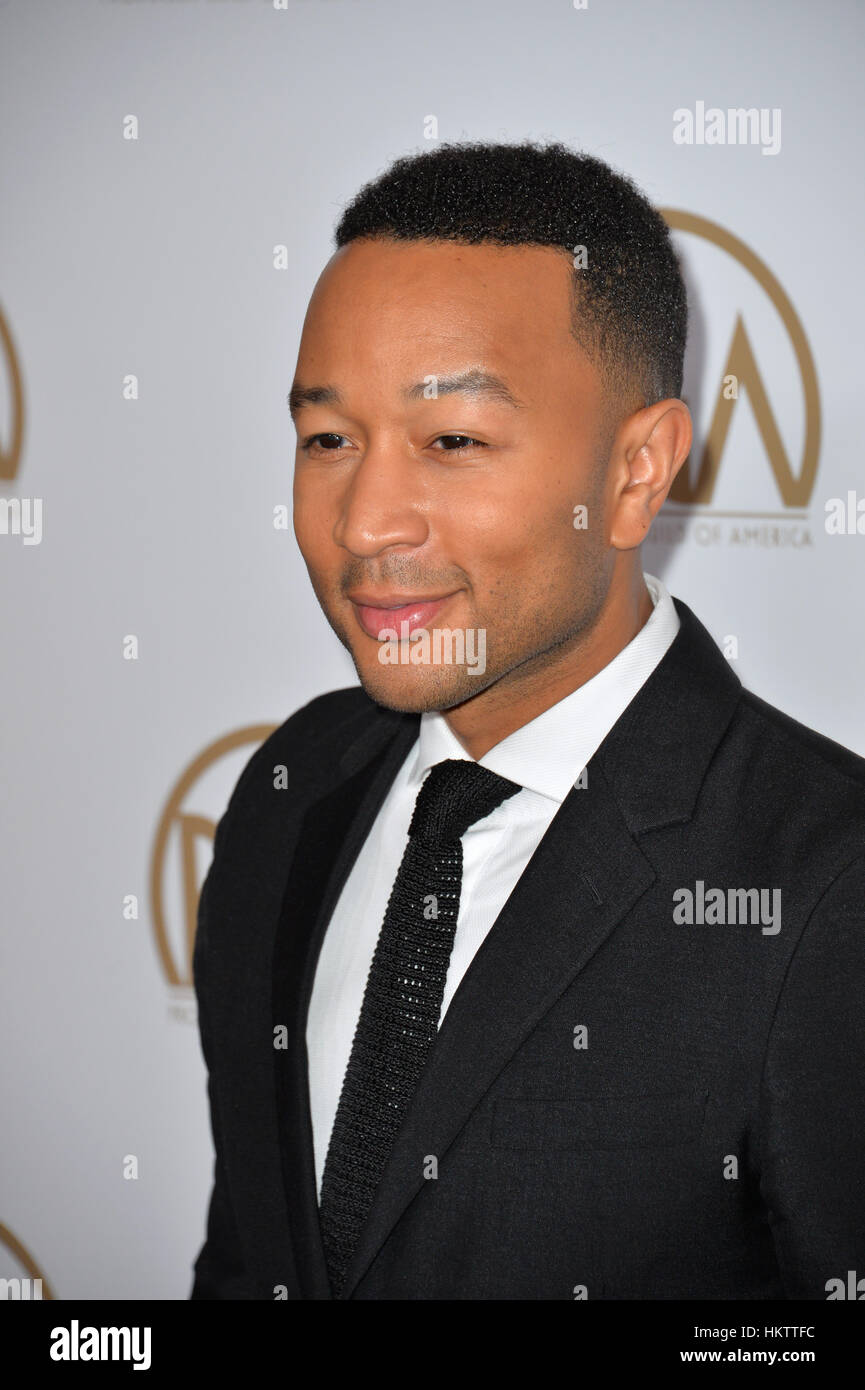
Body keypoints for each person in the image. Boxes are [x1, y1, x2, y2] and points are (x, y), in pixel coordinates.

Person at [190, 141, 865, 1300]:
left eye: (452, 442)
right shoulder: (293, 784)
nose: (363, 523)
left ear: (637, 471)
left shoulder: (826, 882)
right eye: (327, 439)